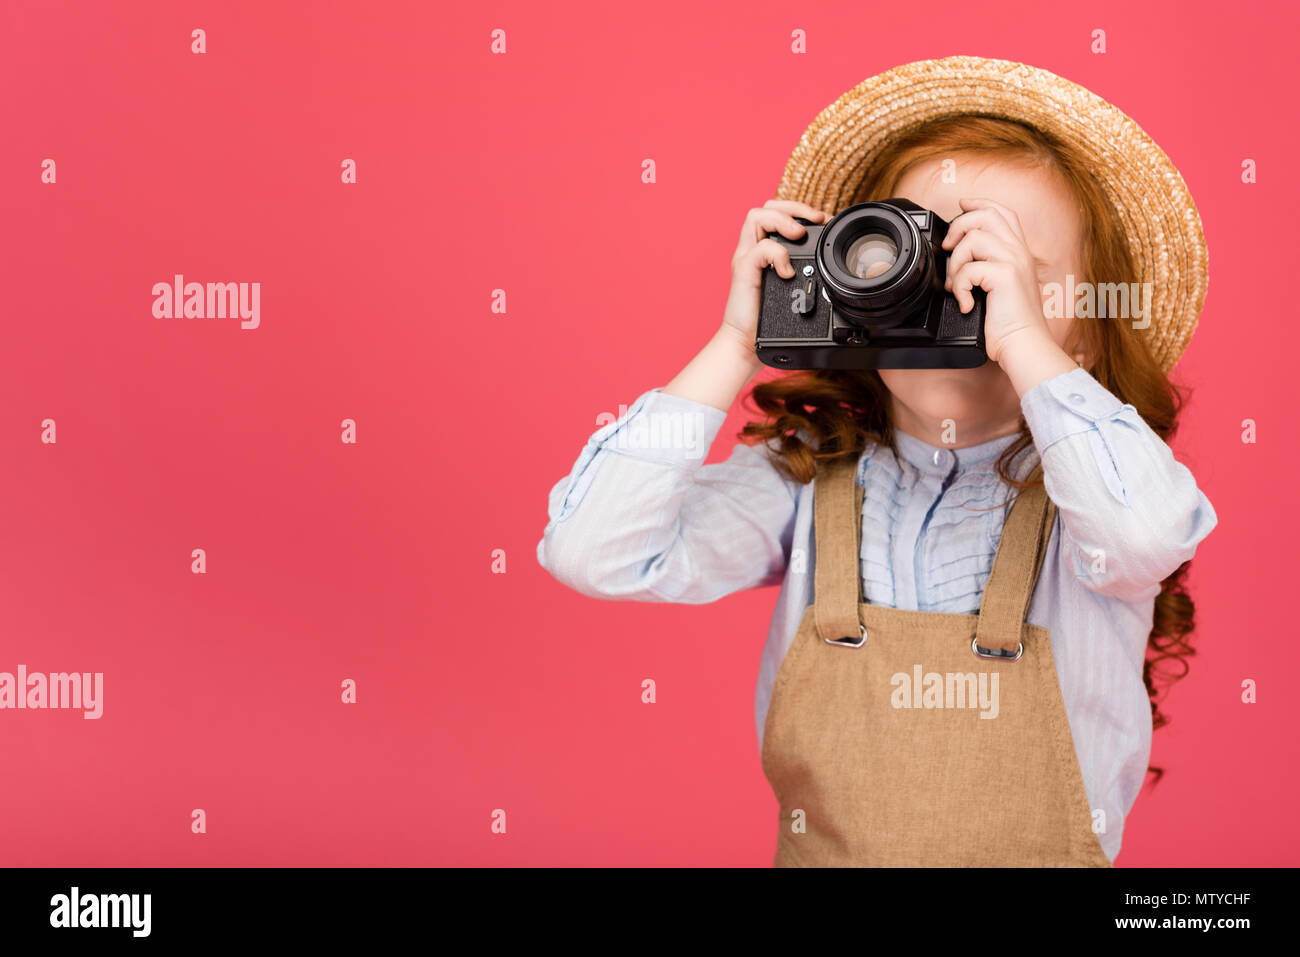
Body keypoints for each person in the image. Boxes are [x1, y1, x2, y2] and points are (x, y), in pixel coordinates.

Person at [537, 56, 1217, 866]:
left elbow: (1146, 531)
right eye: (917, 265)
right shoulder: (811, 480)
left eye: (1004, 277)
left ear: (1089, 329)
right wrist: (733, 346)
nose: (958, 296)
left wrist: (1024, 343)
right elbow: (593, 550)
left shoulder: (1090, 508)